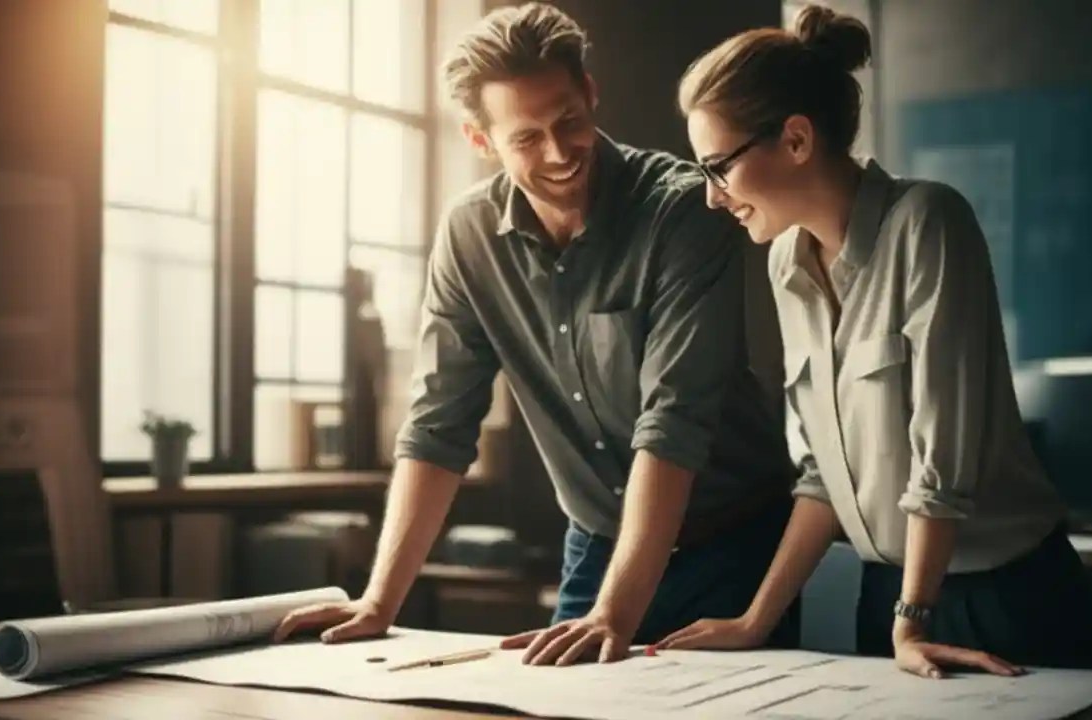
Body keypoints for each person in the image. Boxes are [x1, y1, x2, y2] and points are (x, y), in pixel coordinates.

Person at [272, 2, 799, 666]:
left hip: (734, 548)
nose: (559, 153)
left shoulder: (683, 211)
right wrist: (379, 602)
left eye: (569, 121)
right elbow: (438, 425)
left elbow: (674, 421)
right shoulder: (469, 236)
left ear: (590, 93)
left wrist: (614, 614)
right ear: (480, 140)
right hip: (597, 545)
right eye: (526, 138)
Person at [660, 5, 1092, 678]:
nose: (712, 197)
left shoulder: (927, 222)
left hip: (1001, 597)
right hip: (890, 602)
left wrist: (913, 619)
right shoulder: (786, 262)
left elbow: (942, 464)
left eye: (717, 167)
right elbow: (823, 475)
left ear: (797, 139)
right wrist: (755, 621)